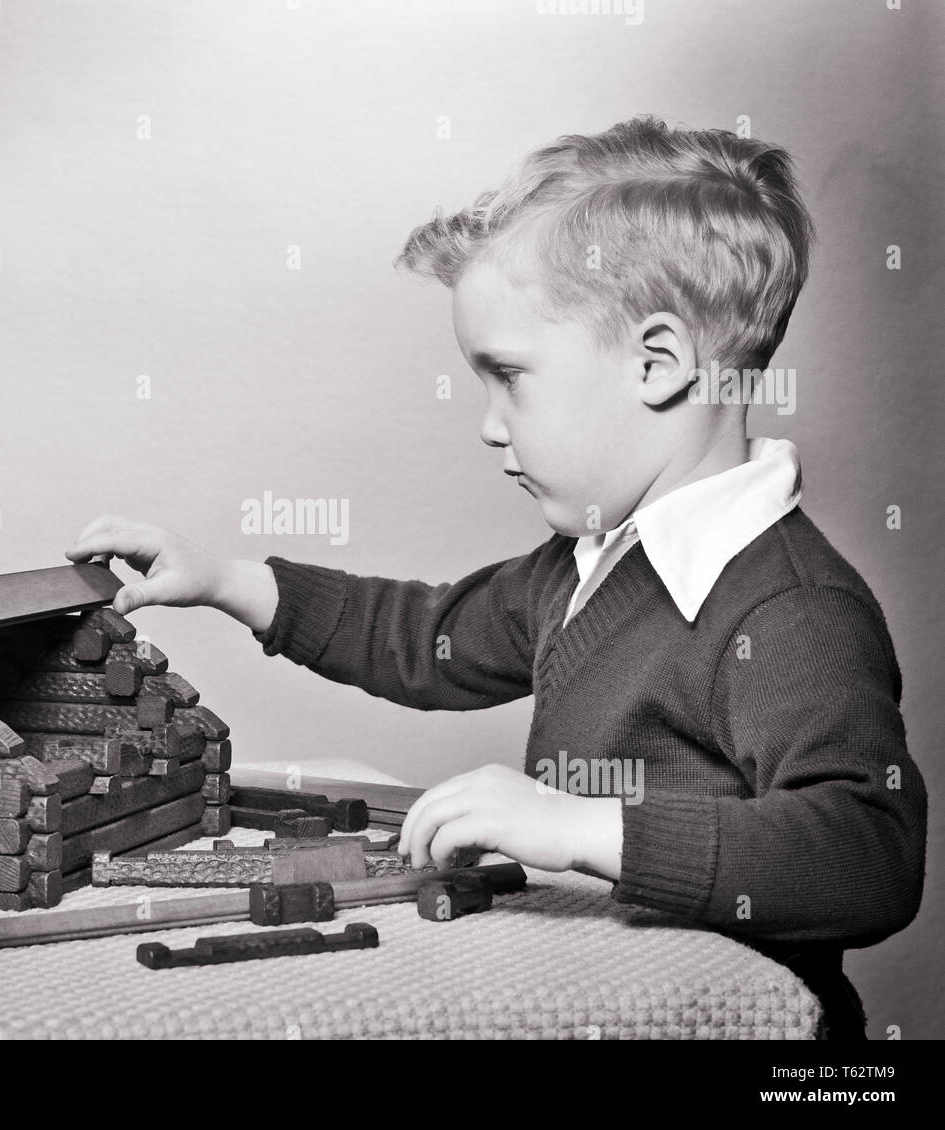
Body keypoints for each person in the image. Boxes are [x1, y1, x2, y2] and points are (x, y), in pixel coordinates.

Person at [66, 117, 927, 1039]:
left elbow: (867, 852)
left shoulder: (790, 606)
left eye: (509, 377)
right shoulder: (586, 562)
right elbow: (421, 638)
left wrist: (581, 828)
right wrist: (230, 579)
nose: (487, 423)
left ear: (659, 364)